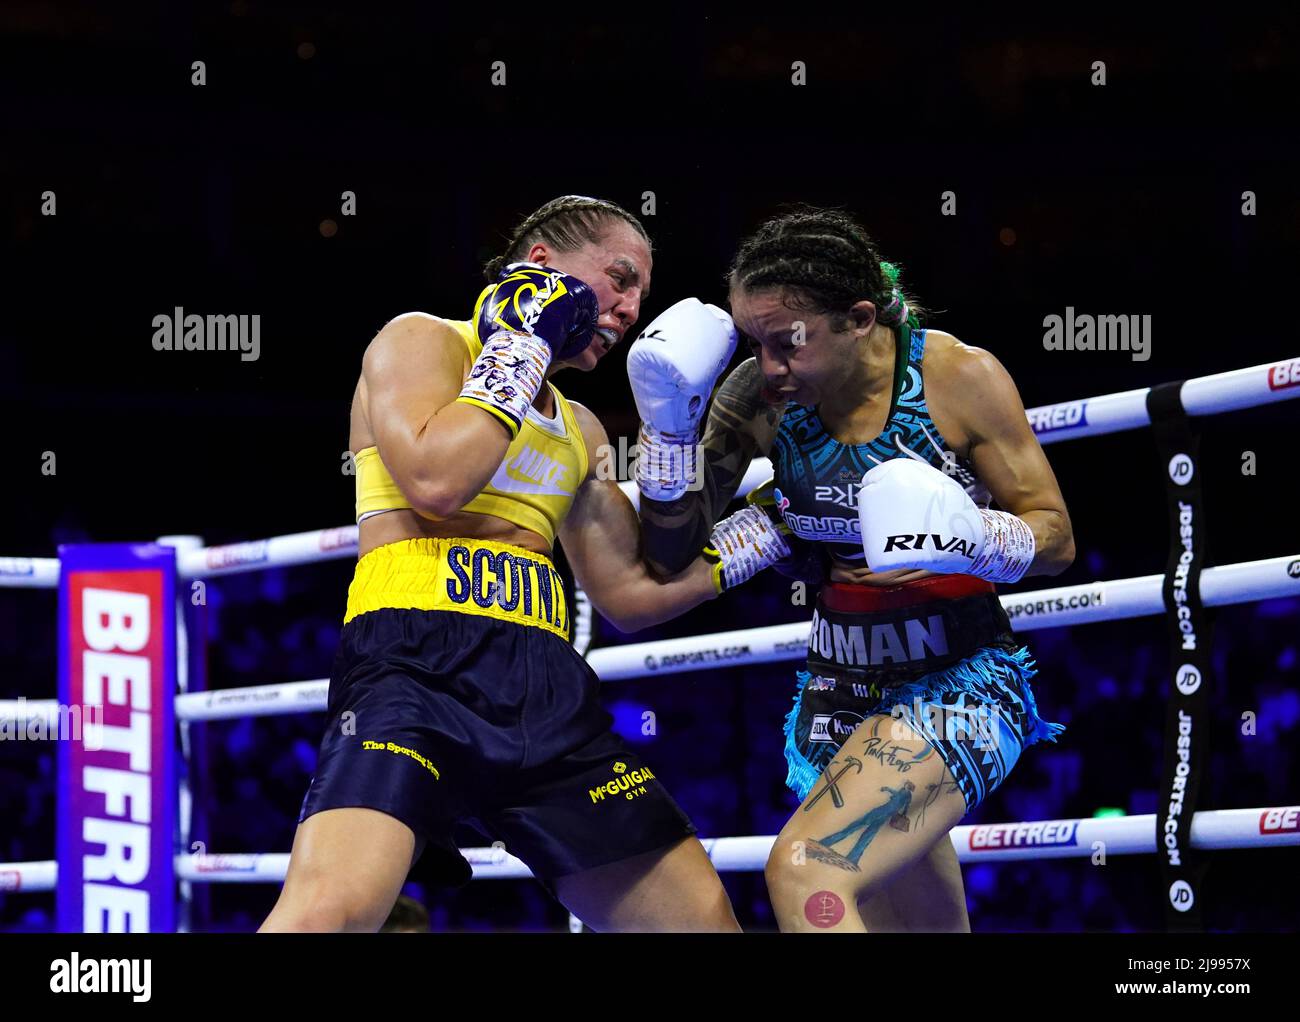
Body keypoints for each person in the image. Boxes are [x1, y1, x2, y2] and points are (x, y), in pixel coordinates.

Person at [260, 196, 763, 933]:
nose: (626, 310)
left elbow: (627, 592)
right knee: (325, 917)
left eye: (640, 299)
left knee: (702, 921)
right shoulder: (423, 343)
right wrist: (520, 346)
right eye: (617, 279)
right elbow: (436, 481)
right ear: (541, 266)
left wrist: (769, 532)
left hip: (543, 688)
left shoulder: (579, 426)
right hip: (411, 670)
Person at [627, 206, 1074, 932]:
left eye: (787, 344)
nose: (768, 367)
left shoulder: (955, 378)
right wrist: (670, 432)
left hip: (959, 681)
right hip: (834, 689)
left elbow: (1055, 538)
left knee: (806, 870)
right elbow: (670, 552)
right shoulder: (758, 397)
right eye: (754, 343)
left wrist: (972, 534)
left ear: (860, 318)